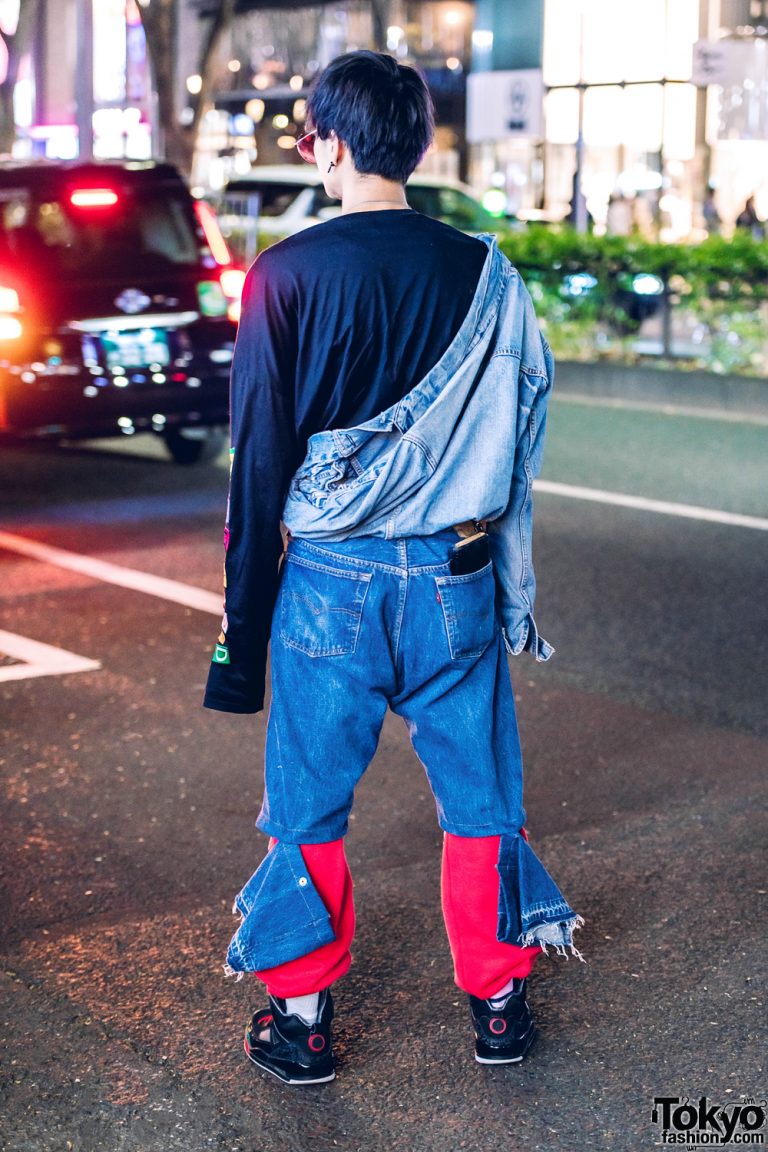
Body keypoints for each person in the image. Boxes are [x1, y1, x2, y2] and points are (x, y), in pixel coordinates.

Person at [204, 49, 582, 1087]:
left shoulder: (284, 273)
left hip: (327, 582)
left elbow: (259, 468)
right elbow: (519, 437)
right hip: (454, 579)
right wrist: (510, 584)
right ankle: (499, 1009)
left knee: (309, 809)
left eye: (308, 138)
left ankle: (305, 1020)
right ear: (418, 143)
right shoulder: (485, 271)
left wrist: (240, 640)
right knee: (480, 798)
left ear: (325, 142)